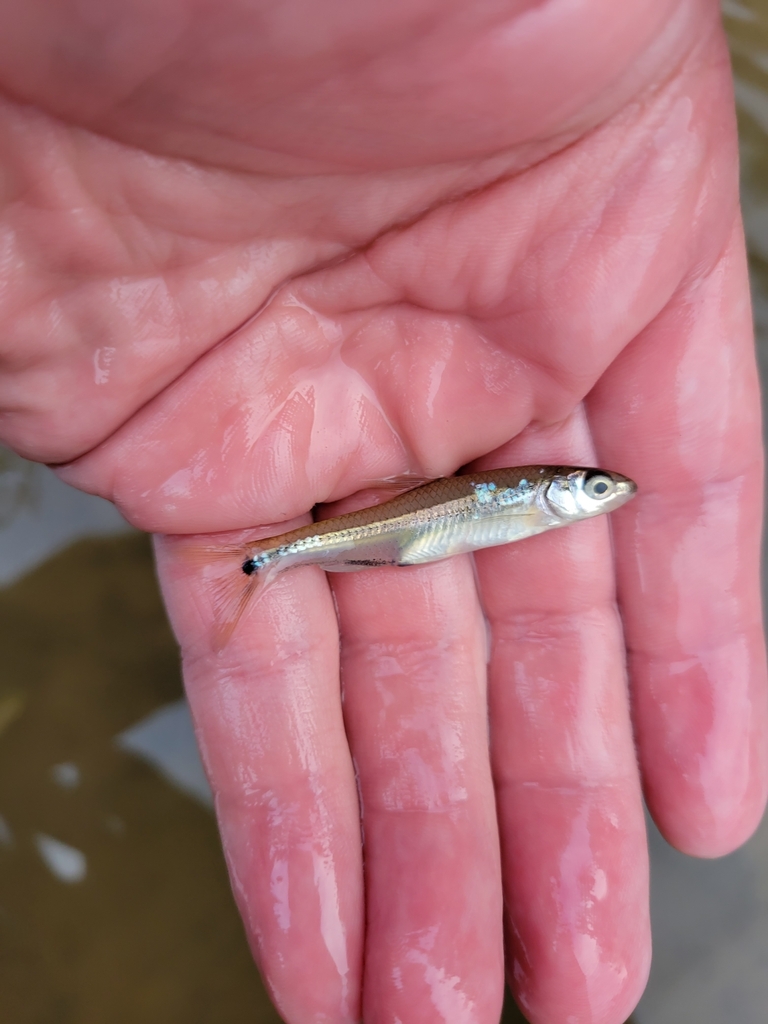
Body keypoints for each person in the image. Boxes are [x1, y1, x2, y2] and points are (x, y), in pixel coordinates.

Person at [0, 0, 765, 1021]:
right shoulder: (526, 498)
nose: (597, 495)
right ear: (552, 492)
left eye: (591, 491)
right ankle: (273, 560)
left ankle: (275, 560)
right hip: (375, 523)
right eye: (590, 488)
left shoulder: (524, 498)